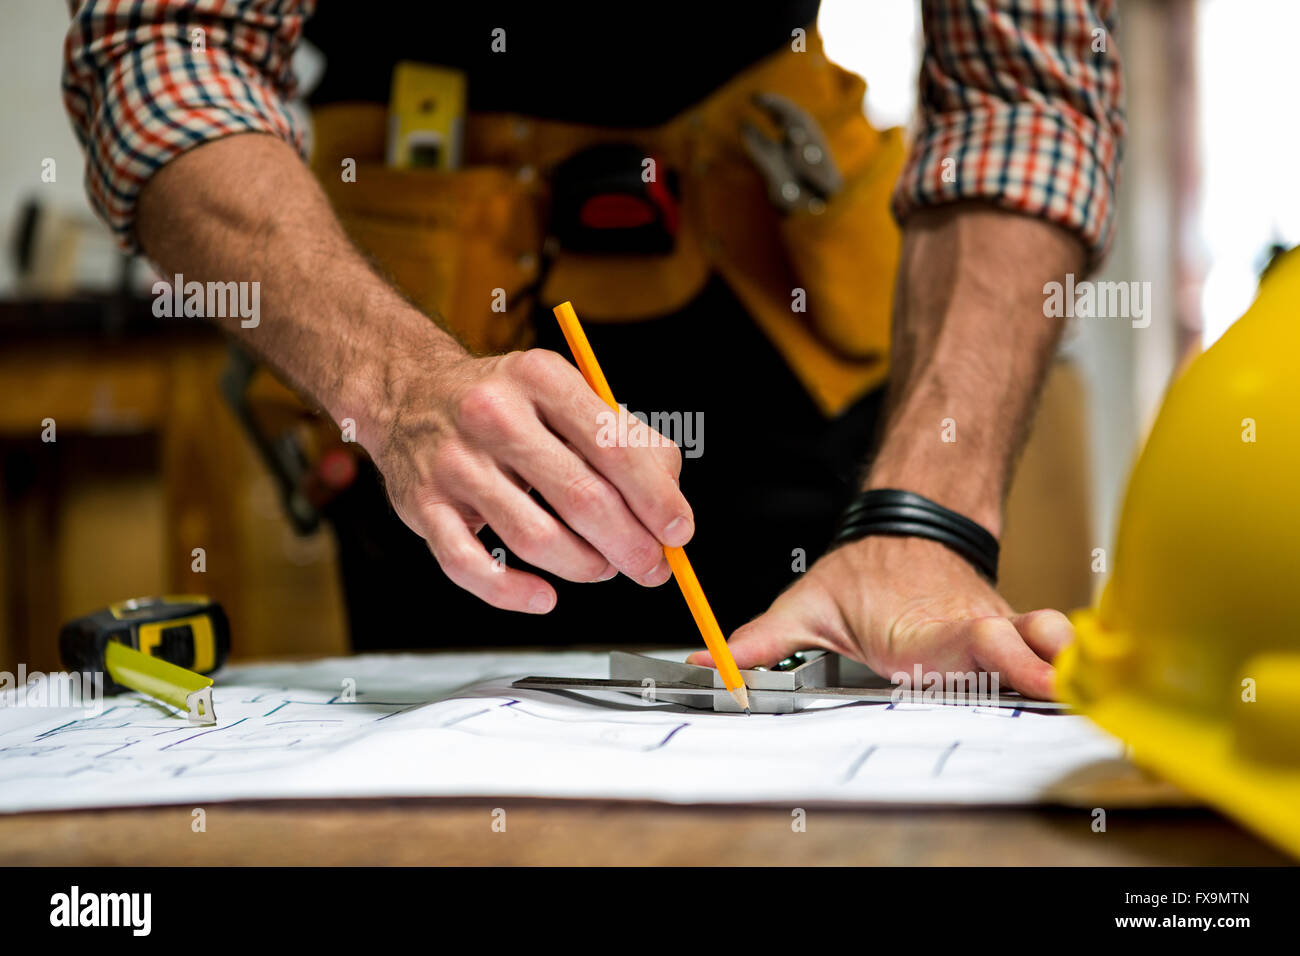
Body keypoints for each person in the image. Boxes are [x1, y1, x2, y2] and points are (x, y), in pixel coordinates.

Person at [61, 2, 1125, 699]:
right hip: (419, 300)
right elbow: (166, 47)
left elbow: (1020, 88)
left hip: (782, 293)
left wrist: (920, 519)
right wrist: (393, 385)